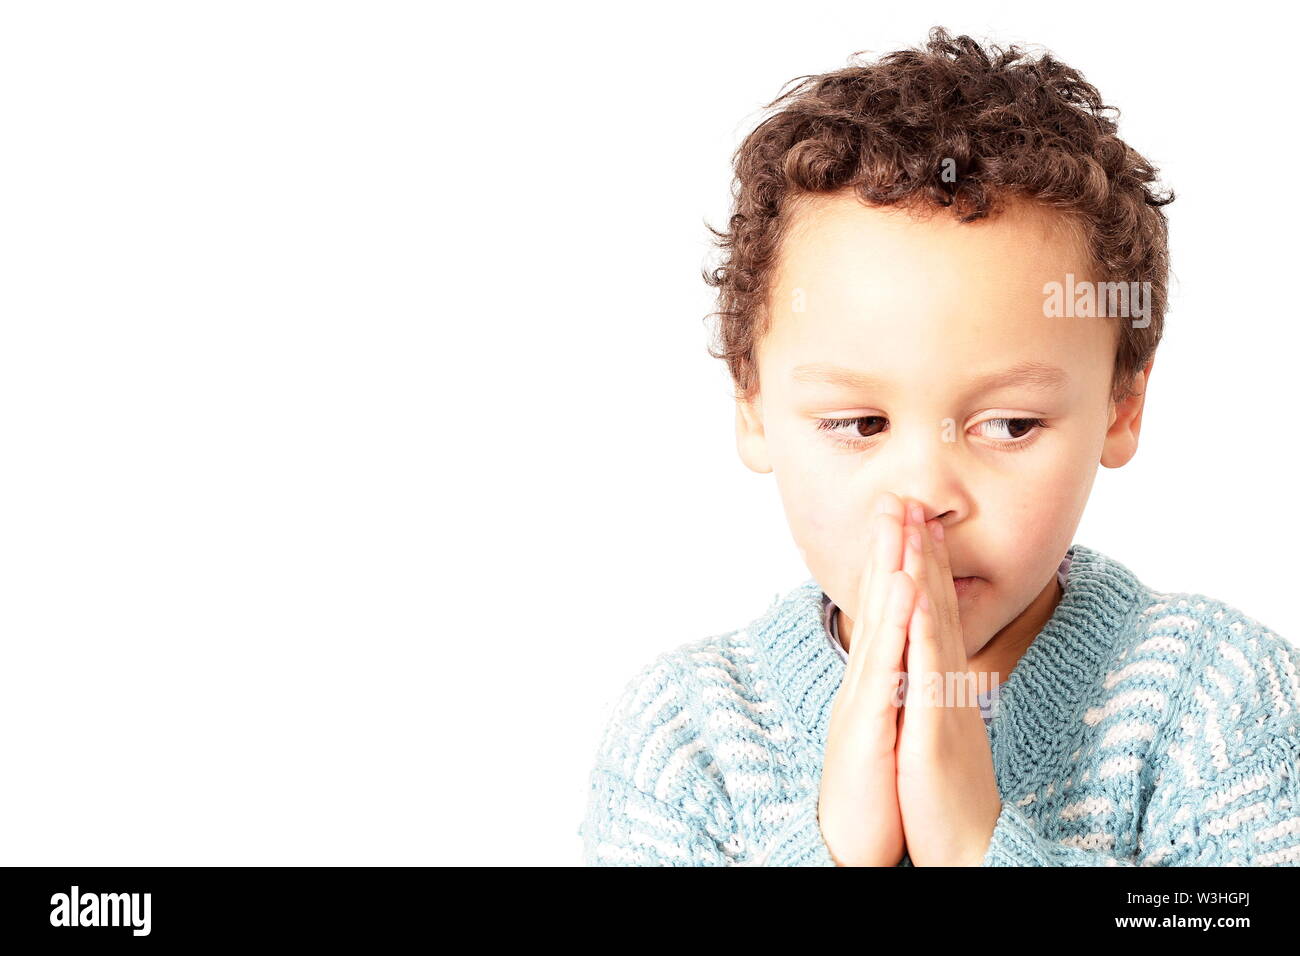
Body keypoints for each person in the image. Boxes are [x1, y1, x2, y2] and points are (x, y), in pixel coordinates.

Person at [578, 26, 1300, 866]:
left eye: (1010, 426)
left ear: (1120, 404)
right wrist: (835, 847)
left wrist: (975, 845)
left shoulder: (1219, 707)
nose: (923, 494)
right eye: (859, 424)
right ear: (753, 405)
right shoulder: (684, 745)